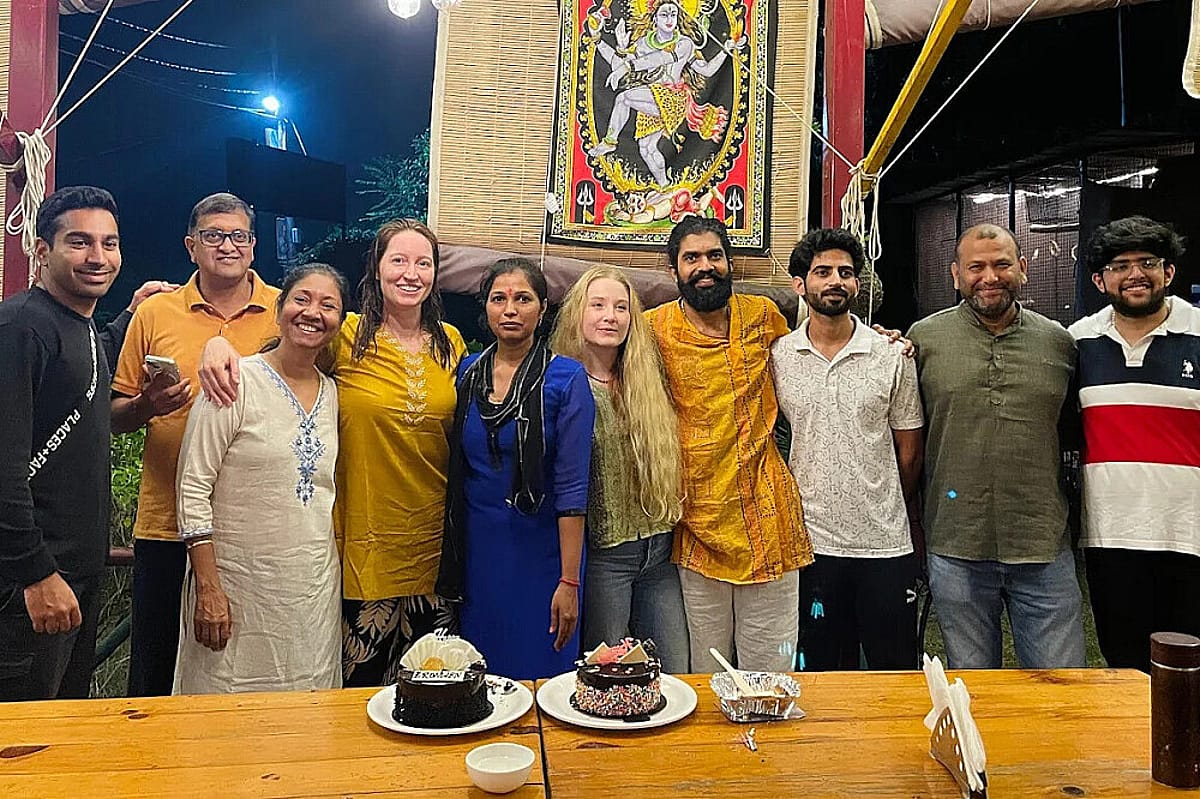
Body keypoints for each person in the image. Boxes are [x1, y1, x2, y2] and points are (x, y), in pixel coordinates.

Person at [198, 219, 466, 686]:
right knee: (358, 696)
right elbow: (282, 350)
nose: (410, 273)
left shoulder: (451, 343)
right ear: (376, 268)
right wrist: (218, 343)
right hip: (362, 549)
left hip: (434, 549)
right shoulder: (347, 336)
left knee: (430, 688)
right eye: (398, 260)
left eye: (423, 263)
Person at [0, 186, 173, 701]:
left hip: (76, 574)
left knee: (64, 726)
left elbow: (87, 368)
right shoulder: (21, 328)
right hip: (28, 584)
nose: (98, 257)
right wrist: (36, 574)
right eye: (79, 242)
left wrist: (132, 314)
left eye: (109, 243)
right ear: (42, 250)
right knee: (22, 733)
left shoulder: (76, 326)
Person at [113, 192, 280, 697]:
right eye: (213, 236)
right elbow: (114, 416)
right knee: (155, 670)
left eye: (239, 236)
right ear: (191, 246)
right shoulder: (155, 312)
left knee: (249, 669)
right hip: (166, 524)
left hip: (256, 528)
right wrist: (147, 406)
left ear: (254, 245)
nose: (227, 246)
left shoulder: (285, 310)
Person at [907, 223, 1086, 669]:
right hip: (956, 542)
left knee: (1061, 689)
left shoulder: (1060, 343)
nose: (990, 277)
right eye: (976, 267)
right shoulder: (923, 341)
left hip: (1042, 542)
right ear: (956, 275)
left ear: (1022, 268)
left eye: (1002, 264)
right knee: (974, 690)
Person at [646, 216, 812, 674]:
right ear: (673, 270)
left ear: (730, 262)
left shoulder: (763, 316)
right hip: (695, 524)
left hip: (767, 521)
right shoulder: (652, 330)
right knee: (705, 672)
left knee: (770, 674)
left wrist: (879, 337)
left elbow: (814, 350)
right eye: (692, 258)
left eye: (714, 255)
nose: (705, 266)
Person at [174, 264, 347, 694]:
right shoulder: (234, 381)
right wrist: (208, 588)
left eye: (328, 305)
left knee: (306, 707)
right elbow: (192, 487)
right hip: (236, 588)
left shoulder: (334, 394)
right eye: (301, 299)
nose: (312, 313)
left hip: (311, 593)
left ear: (340, 322)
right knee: (225, 703)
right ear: (280, 306)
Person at [772, 229, 924, 671]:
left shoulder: (891, 354)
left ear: (857, 283)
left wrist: (880, 502)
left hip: (884, 545)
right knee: (820, 674)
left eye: (845, 272)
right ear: (800, 284)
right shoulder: (780, 356)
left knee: (894, 674)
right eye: (822, 272)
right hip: (811, 544)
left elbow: (910, 451)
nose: (835, 281)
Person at [437, 258, 595, 680]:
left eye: (523, 299)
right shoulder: (468, 372)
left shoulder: (566, 379)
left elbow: (573, 489)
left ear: (542, 309)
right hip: (480, 554)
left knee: (543, 675)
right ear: (486, 308)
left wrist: (569, 581)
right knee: (482, 675)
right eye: (499, 299)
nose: (510, 309)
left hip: (543, 557)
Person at [1070, 216, 1200, 672]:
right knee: (1125, 669)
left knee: (1188, 672)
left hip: (1189, 534)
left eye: (1147, 262)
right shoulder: (1077, 341)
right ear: (1099, 280)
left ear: (1169, 271)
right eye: (1120, 265)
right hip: (1111, 536)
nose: (1135, 275)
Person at [550, 266, 689, 672]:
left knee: (676, 669)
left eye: (621, 307)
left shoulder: (646, 379)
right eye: (598, 305)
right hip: (605, 560)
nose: (610, 316)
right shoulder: (561, 383)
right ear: (577, 313)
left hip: (660, 554)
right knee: (609, 674)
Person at [588, 0, 742, 188]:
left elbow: (701, 68)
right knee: (647, 149)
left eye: (673, 14)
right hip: (651, 98)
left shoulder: (684, 43)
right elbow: (617, 65)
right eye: (664, 14)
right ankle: (665, 186)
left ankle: (610, 141)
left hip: (673, 98)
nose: (670, 19)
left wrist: (726, 49)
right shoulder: (643, 43)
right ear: (654, 18)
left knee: (623, 98)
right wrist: (601, 40)